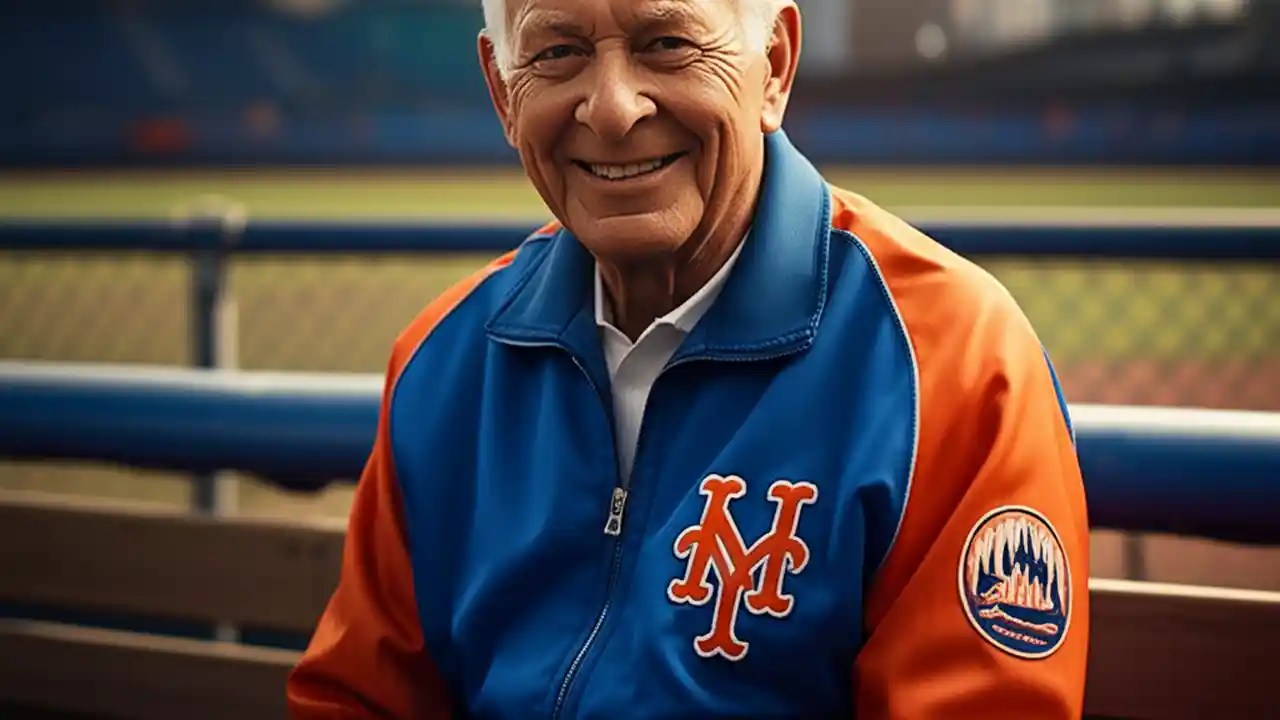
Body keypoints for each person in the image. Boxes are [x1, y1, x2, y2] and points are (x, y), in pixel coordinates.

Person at [287, 0, 1090, 716]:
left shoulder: (955, 365)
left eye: (666, 42)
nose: (611, 108)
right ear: (503, 91)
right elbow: (359, 696)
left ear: (772, 65)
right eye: (557, 53)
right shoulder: (446, 359)